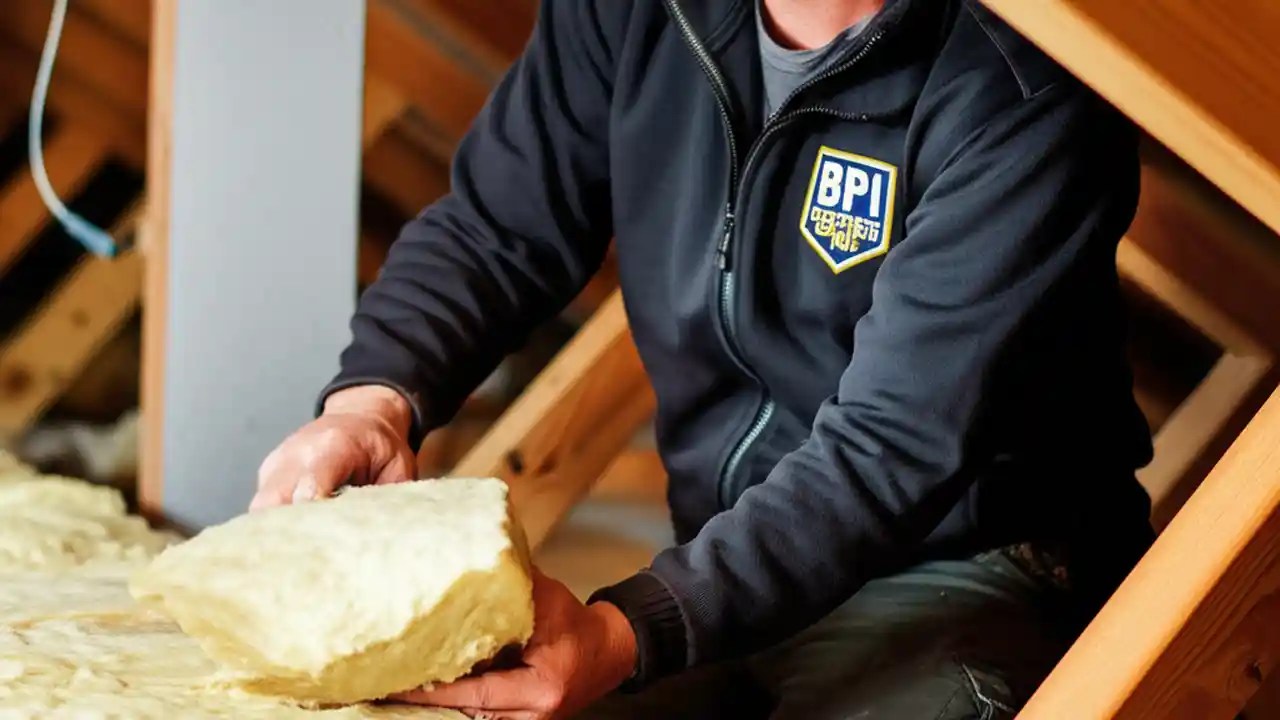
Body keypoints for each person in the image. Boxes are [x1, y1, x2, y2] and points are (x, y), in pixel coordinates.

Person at [254, 0, 1157, 717]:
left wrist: (626, 633)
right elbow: (502, 226)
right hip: (722, 551)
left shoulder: (1025, 87)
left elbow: (891, 447)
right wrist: (371, 402)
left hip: (964, 567)